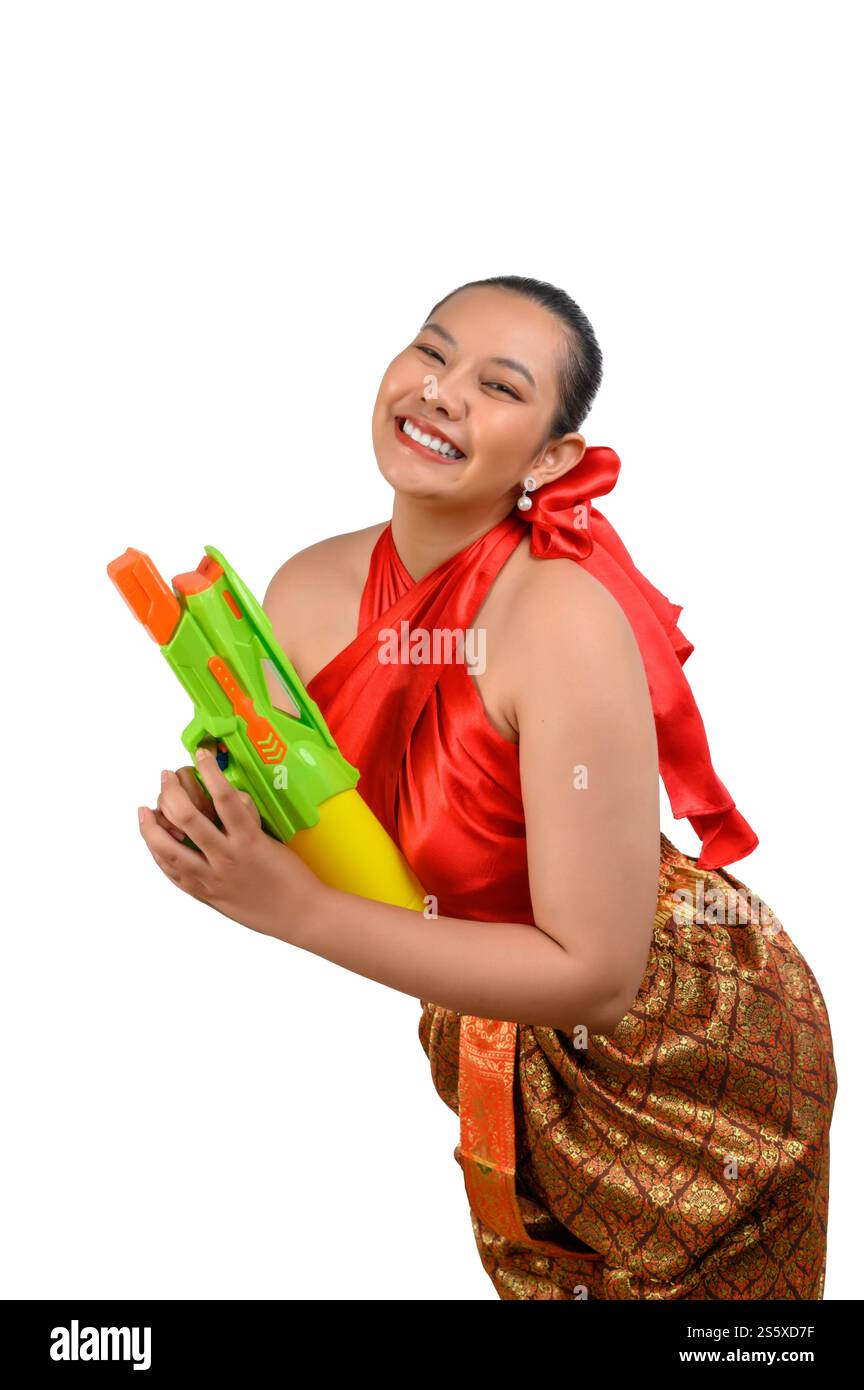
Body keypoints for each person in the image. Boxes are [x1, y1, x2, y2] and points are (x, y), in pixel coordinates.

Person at [141, 276, 838, 1300]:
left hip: (680, 1046)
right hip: (486, 1028)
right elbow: (340, 829)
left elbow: (595, 973)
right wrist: (232, 829)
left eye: (498, 385)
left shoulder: (559, 619)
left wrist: (293, 911)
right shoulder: (306, 589)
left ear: (553, 457)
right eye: (432, 351)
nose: (442, 391)